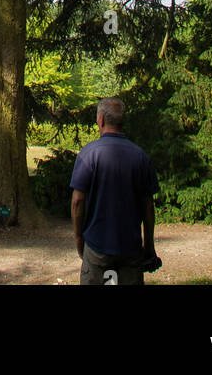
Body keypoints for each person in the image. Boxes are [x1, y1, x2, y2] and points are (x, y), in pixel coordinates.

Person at [70, 96, 161, 286]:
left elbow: (77, 201)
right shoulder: (141, 157)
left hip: (96, 246)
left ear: (101, 120)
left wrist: (79, 238)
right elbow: (148, 207)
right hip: (130, 247)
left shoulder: (89, 154)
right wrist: (149, 246)